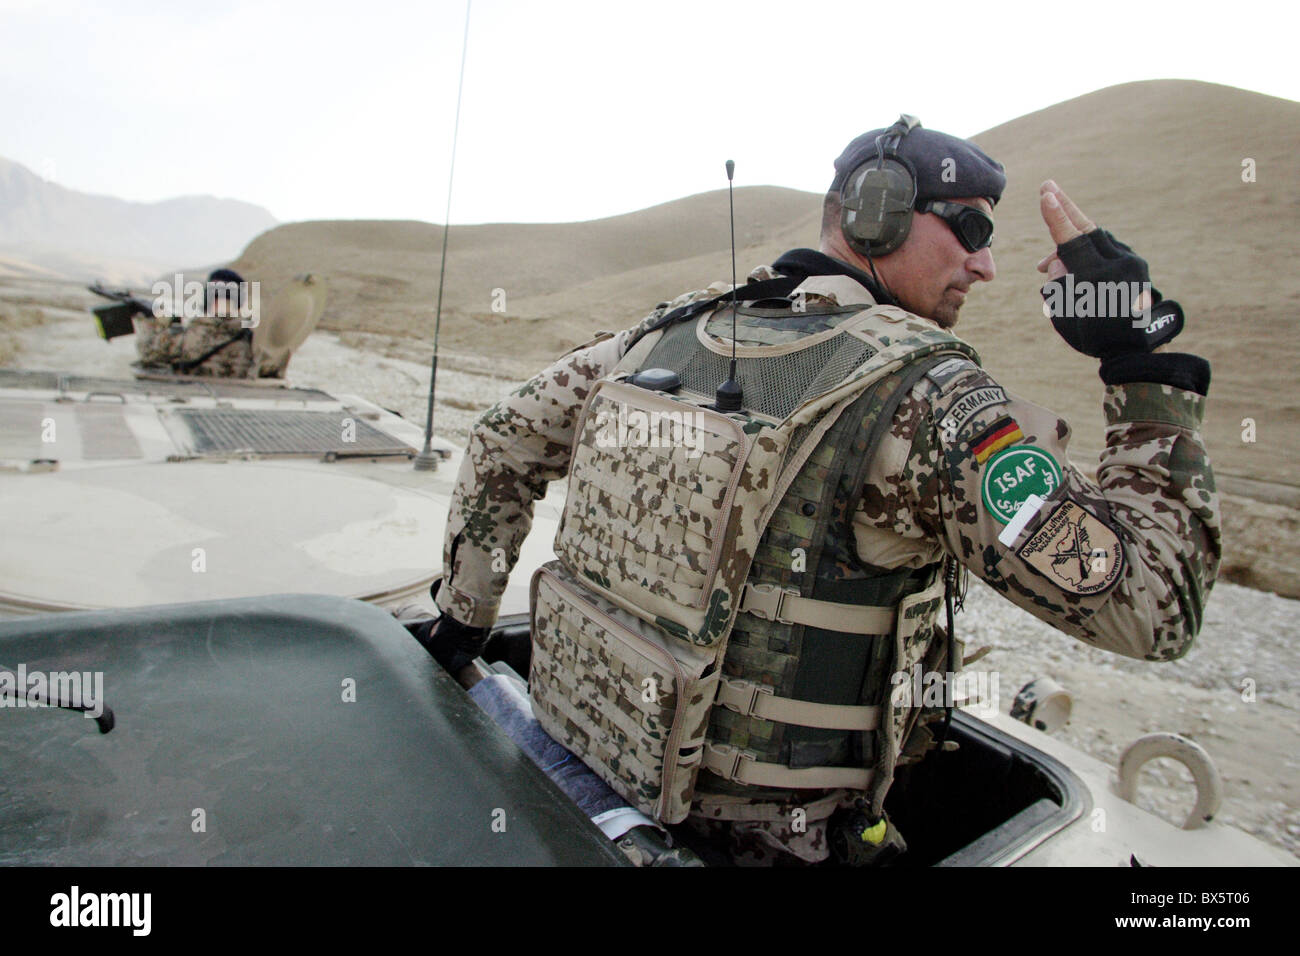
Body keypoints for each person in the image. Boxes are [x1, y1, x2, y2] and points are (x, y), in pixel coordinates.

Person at [413, 117, 1219, 866]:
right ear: (880, 215)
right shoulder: (933, 403)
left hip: (592, 762)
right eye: (969, 230)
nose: (987, 264)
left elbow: (503, 438)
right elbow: (1152, 605)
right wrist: (1142, 363)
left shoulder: (659, 337)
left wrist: (463, 622)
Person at [135, 268, 256, 377]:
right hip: (231, 397)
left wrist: (153, 324)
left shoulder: (194, 335)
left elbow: (148, 353)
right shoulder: (249, 337)